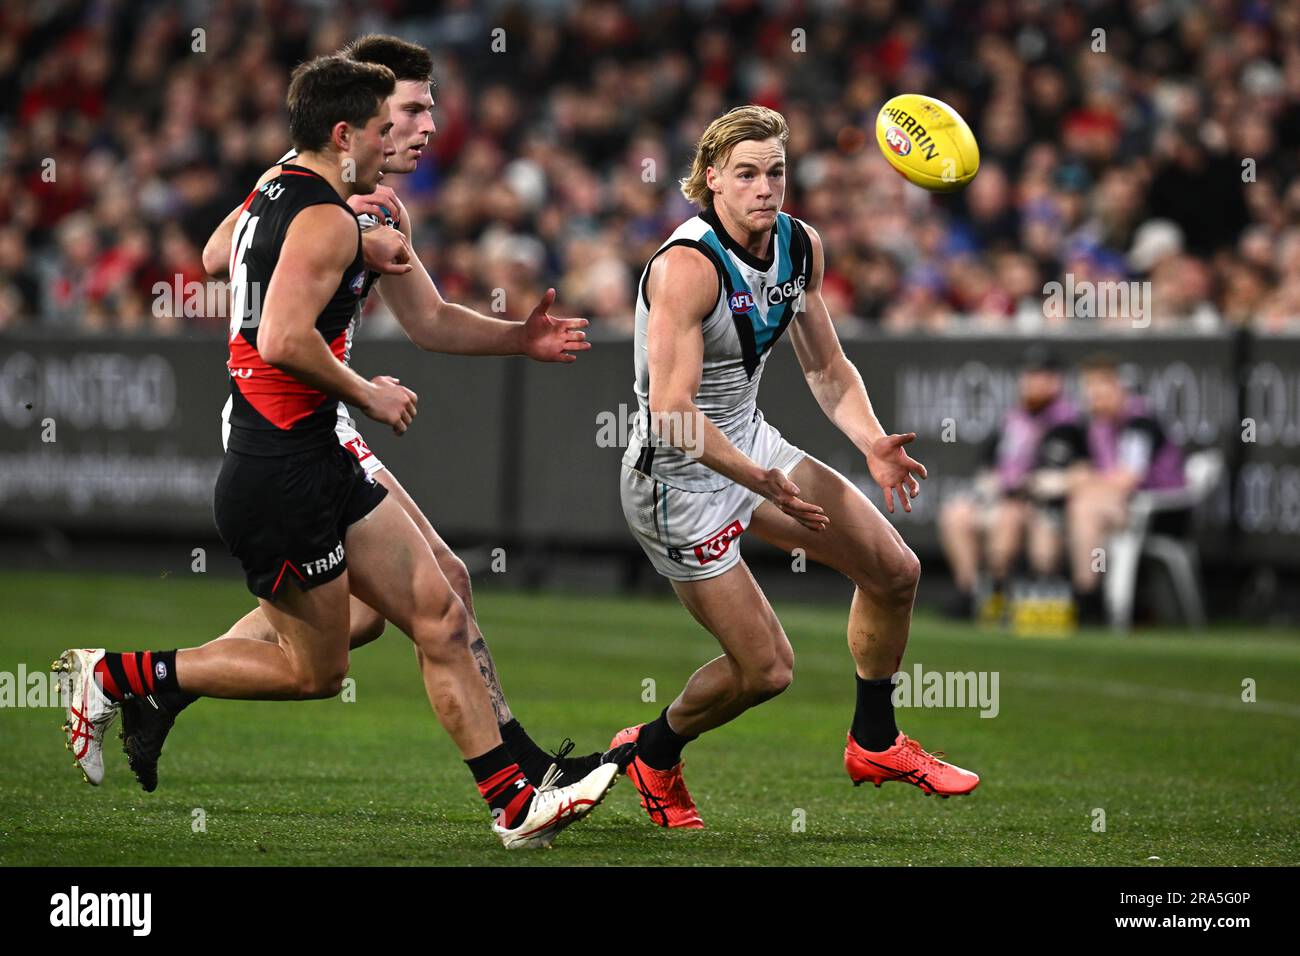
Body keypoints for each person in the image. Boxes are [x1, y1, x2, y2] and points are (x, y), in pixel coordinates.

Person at [55, 54, 618, 851]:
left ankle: (515, 796)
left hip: (313, 436)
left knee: (425, 608)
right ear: (354, 123)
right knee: (322, 668)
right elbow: (273, 324)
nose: (420, 131)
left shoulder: (317, 196)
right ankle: (127, 677)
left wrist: (515, 338)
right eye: (407, 115)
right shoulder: (326, 207)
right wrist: (364, 377)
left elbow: (236, 261)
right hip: (287, 443)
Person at [609, 105, 979, 829]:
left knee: (895, 571)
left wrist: (871, 440)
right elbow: (673, 414)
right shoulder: (686, 268)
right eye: (746, 173)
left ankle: (875, 740)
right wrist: (757, 480)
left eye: (775, 171)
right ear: (711, 178)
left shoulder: (800, 246)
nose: (764, 187)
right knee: (766, 673)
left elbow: (828, 367)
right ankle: (653, 750)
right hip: (676, 483)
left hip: (752, 447)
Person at [938, 345, 1079, 620]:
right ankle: (969, 592)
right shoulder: (1013, 418)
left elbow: (1052, 475)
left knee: (1008, 517)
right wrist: (990, 486)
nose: (1031, 382)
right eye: (1028, 375)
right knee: (955, 514)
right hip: (1002, 496)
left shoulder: (1066, 422)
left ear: (1055, 381)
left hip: (1041, 505)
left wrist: (1012, 487)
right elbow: (987, 466)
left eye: (1039, 375)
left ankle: (999, 593)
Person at [1063, 353, 1186, 623]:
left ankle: (1087, 597)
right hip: (1124, 507)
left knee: (1085, 508)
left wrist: (1083, 481)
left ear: (1119, 387)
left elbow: (1127, 479)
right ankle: (1074, 593)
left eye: (1099, 390)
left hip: (1159, 512)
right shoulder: (1098, 425)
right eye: (1089, 392)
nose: (1093, 398)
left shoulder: (1139, 423)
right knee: (1078, 503)